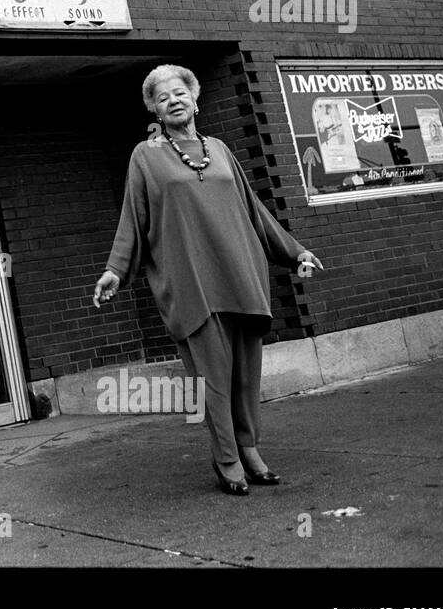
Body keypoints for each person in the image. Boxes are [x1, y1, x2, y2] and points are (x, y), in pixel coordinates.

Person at [92, 65, 323, 495]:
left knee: (245, 376)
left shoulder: (219, 149)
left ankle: (250, 448)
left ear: (195, 100)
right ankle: (227, 457)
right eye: (163, 98)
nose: (173, 101)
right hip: (191, 283)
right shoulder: (145, 157)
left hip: (239, 273)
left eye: (180, 93)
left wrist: (296, 253)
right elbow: (133, 219)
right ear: (155, 110)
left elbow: (254, 211)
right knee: (211, 379)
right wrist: (115, 270)